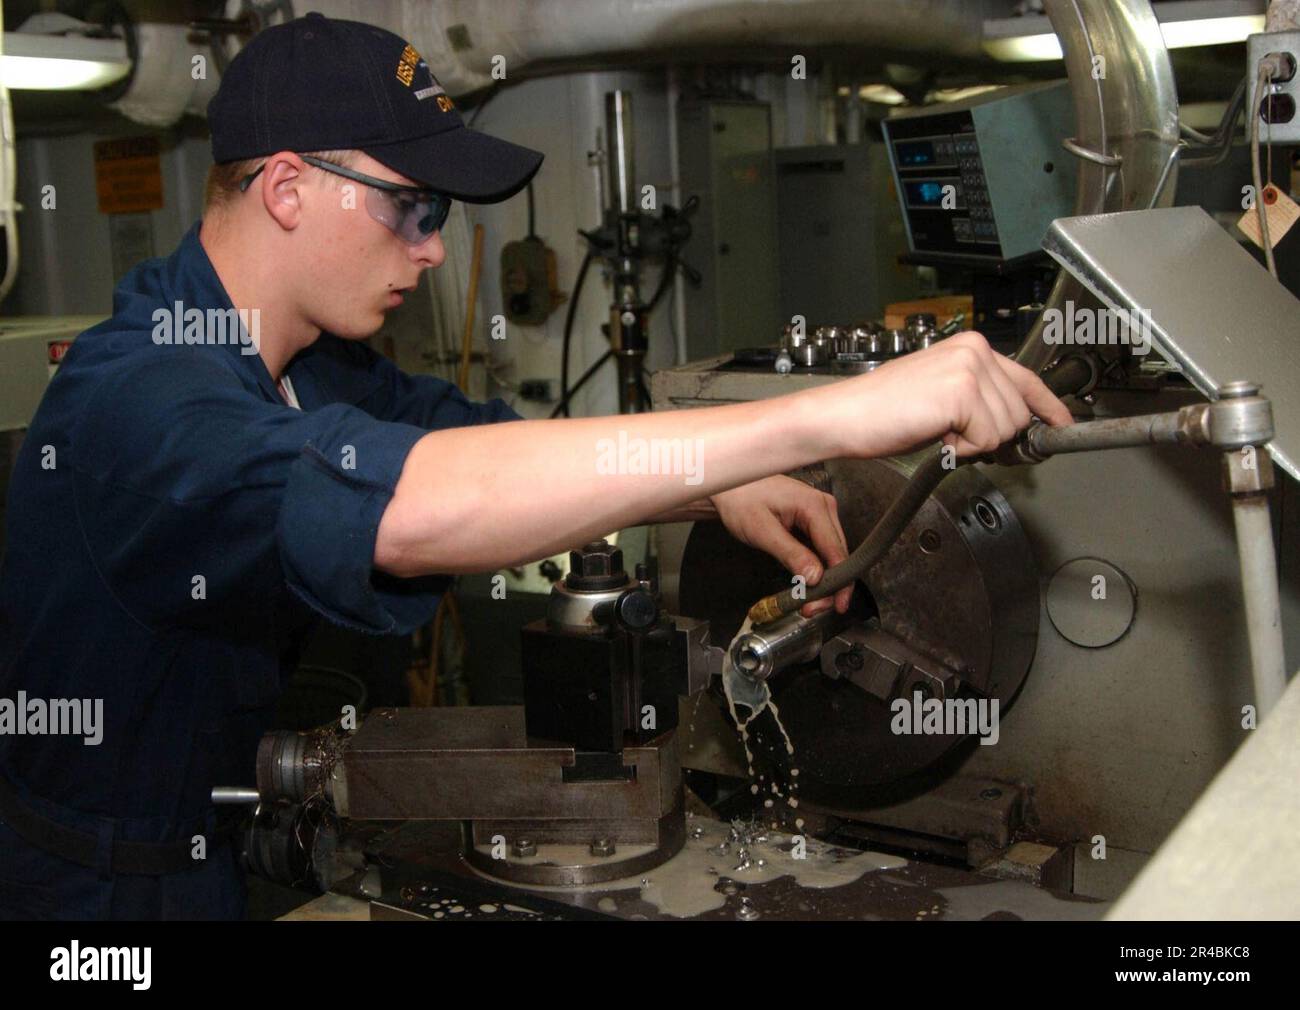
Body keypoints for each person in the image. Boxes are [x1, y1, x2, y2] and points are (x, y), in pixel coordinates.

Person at [0, 13, 1071, 920]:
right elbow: (416, 504)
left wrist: (712, 483)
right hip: (95, 895)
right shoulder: (144, 397)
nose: (429, 248)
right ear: (287, 187)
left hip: (216, 850)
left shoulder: (314, 370)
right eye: (409, 207)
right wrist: (829, 415)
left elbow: (479, 448)